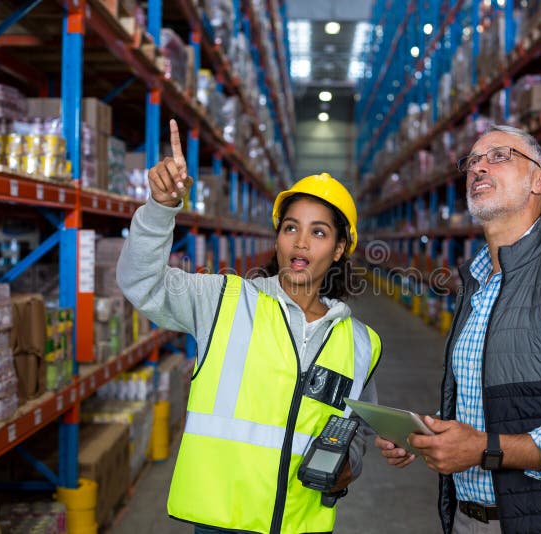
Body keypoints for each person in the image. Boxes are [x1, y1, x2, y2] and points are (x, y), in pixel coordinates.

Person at [117, 119, 383, 534]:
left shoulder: (361, 343)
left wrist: (350, 464)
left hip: (301, 523)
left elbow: (358, 427)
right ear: (277, 237)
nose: (300, 243)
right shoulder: (223, 301)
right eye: (290, 227)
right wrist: (159, 210)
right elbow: (141, 282)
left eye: (318, 232)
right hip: (222, 522)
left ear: (340, 248)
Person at [375, 124, 541, 533]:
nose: (480, 168)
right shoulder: (478, 284)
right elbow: (489, 409)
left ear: (540, 180)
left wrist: (485, 449)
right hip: (471, 519)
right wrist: (431, 436)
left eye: (500, 156)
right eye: (473, 161)